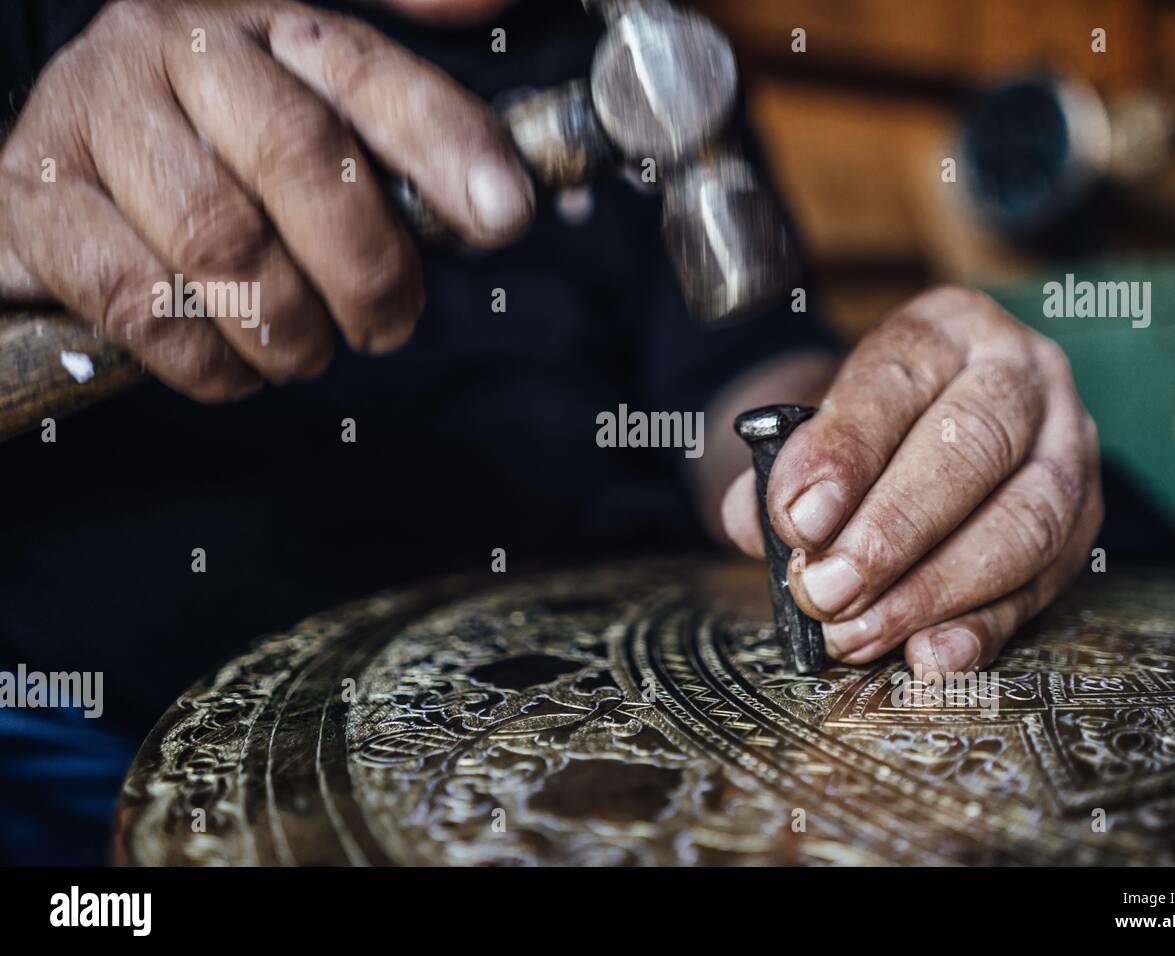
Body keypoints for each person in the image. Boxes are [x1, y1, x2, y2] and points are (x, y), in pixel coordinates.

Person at [0, 0, 1102, 864]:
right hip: (93, 737)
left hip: (573, 748)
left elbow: (749, 367)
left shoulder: (647, 52)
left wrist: (877, 435)